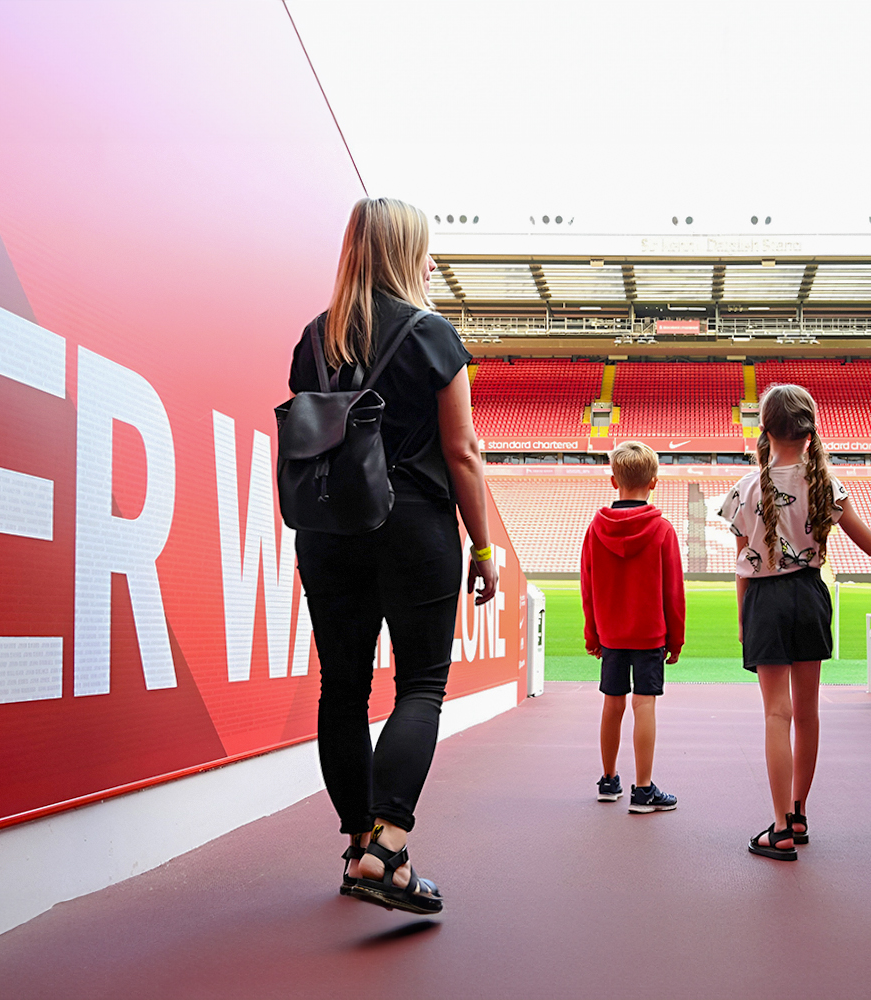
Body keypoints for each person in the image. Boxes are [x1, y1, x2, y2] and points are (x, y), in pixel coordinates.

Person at [289, 197, 498, 916]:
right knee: (421, 686)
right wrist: (485, 544)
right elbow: (463, 452)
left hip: (328, 530)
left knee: (342, 691)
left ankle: (357, 849)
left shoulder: (315, 339)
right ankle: (389, 850)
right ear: (409, 253)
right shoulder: (432, 333)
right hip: (413, 526)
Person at [722, 385, 871, 860]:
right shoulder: (826, 482)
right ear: (809, 430)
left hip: (765, 600)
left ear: (764, 428)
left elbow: (744, 563)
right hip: (810, 595)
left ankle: (780, 827)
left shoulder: (744, 490)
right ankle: (799, 814)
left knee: (776, 714)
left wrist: (744, 620)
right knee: (807, 714)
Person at [581, 441, 685, 814]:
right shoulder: (662, 530)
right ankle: (643, 790)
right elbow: (673, 591)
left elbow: (588, 586)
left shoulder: (595, 530)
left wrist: (592, 634)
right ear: (653, 482)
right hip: (649, 633)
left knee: (612, 704)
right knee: (644, 705)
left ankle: (608, 781)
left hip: (611, 634)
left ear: (613, 481)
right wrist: (676, 639)